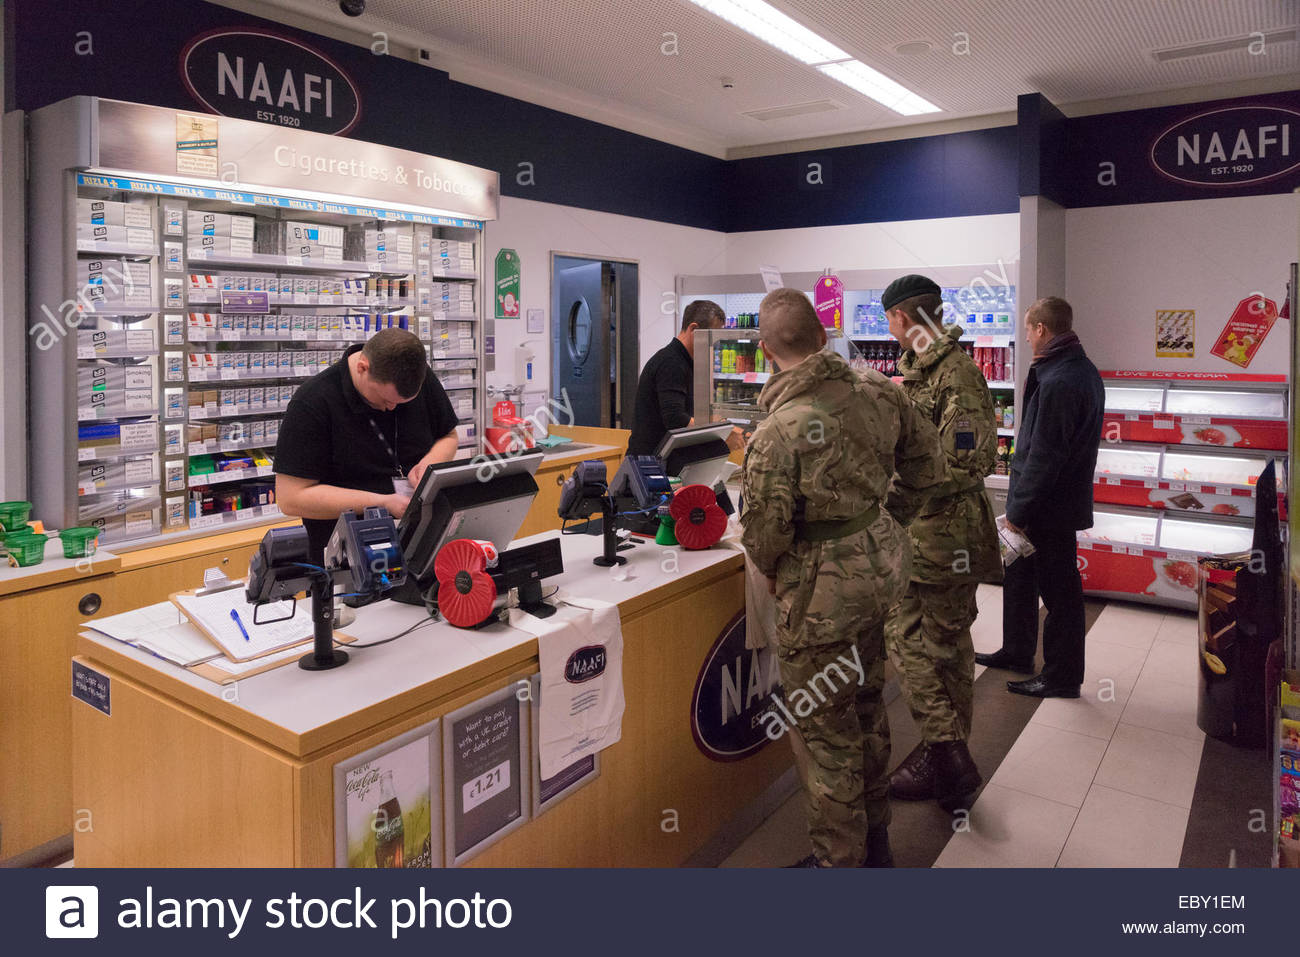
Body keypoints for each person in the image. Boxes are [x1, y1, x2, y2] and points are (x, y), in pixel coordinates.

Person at [741, 287, 945, 868]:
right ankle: (876, 842)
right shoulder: (879, 391)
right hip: (879, 579)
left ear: (763, 349)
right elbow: (928, 469)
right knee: (866, 705)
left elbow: (763, 536)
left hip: (817, 599)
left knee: (825, 735)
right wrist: (881, 525)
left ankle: (839, 862)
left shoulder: (777, 432)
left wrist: (786, 569)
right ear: (824, 337)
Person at [880, 275, 1002, 808]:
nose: (889, 328)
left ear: (903, 318)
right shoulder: (922, 371)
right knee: (932, 644)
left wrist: (893, 499)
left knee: (934, 645)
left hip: (945, 533)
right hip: (922, 531)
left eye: (889, 319)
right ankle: (947, 759)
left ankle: (947, 752)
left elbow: (966, 460)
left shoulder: (957, 374)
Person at [975, 297, 1105, 698]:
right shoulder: (1070, 369)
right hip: (1048, 502)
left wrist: (1018, 510)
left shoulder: (1062, 380)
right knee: (1020, 576)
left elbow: (1046, 455)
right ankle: (1017, 650)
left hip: (1050, 508)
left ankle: (1062, 675)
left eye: (1029, 330)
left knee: (1059, 591)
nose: (1027, 337)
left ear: (1042, 330)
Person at [274, 328, 461, 563]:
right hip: (347, 557)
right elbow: (291, 498)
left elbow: (449, 436)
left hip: (420, 543)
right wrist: (382, 502)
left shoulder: (417, 377)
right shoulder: (312, 403)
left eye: (404, 403)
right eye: (386, 400)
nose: (393, 408)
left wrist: (430, 463)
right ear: (363, 368)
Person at [626, 299, 725, 456]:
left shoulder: (687, 362)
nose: (714, 346)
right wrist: (719, 431)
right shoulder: (671, 362)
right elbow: (676, 420)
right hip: (649, 464)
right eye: (712, 339)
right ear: (694, 329)